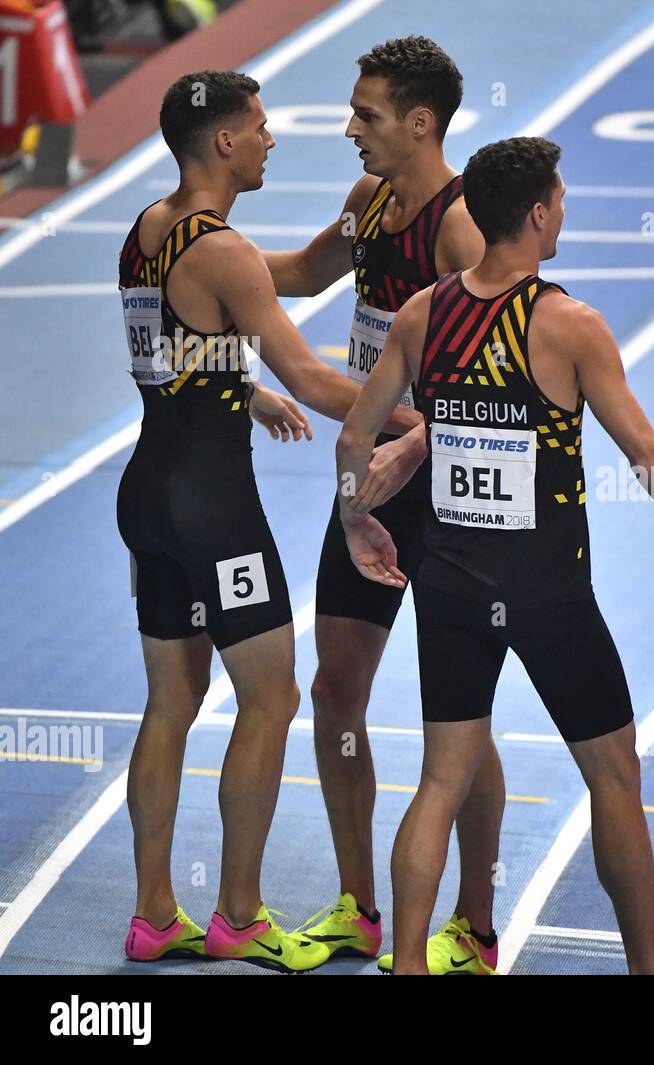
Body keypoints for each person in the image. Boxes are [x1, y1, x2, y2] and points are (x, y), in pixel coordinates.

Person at [335, 136, 654, 974]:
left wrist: (357, 523)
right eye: (558, 201)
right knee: (613, 777)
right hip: (549, 592)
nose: (563, 212)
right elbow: (648, 456)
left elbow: (356, 434)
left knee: (440, 779)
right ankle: (649, 965)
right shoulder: (568, 324)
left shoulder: (424, 312)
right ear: (535, 214)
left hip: (449, 581)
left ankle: (411, 964)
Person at [117, 69, 421, 972]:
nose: (271, 139)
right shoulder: (226, 252)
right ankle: (240, 914)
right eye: (259, 127)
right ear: (223, 143)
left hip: (149, 496)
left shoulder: (151, 231)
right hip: (215, 509)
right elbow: (322, 382)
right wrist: (418, 423)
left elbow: (191, 336)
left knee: (171, 699)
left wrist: (352, 233)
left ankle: (152, 913)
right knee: (273, 695)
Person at [260, 35, 497, 972]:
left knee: (460, 717)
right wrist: (194, 237)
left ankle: (473, 926)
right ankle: (360, 907)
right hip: (371, 484)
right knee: (335, 690)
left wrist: (409, 433)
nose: (349, 127)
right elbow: (300, 276)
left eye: (365, 114)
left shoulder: (459, 227)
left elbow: (489, 388)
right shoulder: (370, 202)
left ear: (419, 121)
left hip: (443, 494)